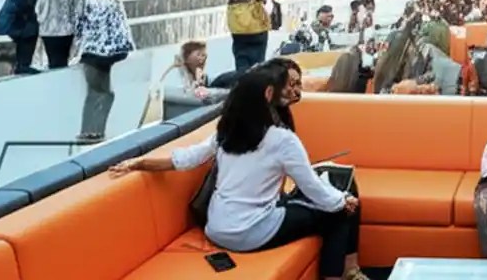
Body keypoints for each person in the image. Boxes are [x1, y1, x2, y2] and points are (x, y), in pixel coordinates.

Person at [110, 68, 369, 280]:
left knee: (323, 202)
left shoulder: (228, 130)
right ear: (269, 93)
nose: (290, 92)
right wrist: (341, 201)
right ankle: (346, 273)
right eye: (283, 86)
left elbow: (188, 158)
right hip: (252, 233)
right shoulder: (282, 139)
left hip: (216, 229)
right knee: (339, 214)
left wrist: (140, 163)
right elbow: (311, 186)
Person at [76, 0, 135, 142]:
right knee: (106, 94)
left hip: (89, 56)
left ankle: (87, 131)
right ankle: (96, 132)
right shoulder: (114, 4)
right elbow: (122, 28)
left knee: (93, 94)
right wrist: (129, 48)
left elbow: (79, 28)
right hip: (105, 57)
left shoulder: (88, 4)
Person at [227, 0, 271, 71]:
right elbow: (264, 18)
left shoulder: (231, 9)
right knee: (258, 66)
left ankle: (243, 75)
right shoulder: (254, 5)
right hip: (259, 35)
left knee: (241, 62)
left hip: (239, 37)